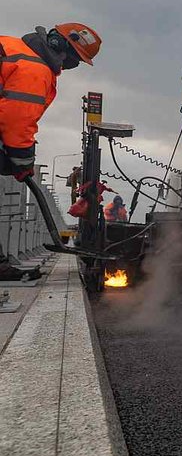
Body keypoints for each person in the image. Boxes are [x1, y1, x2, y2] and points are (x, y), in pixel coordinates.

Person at [0, 23, 100, 281]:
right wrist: (23, 161)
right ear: (61, 46)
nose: (71, 67)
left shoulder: (14, 47)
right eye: (75, 60)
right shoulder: (33, 68)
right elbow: (17, 119)